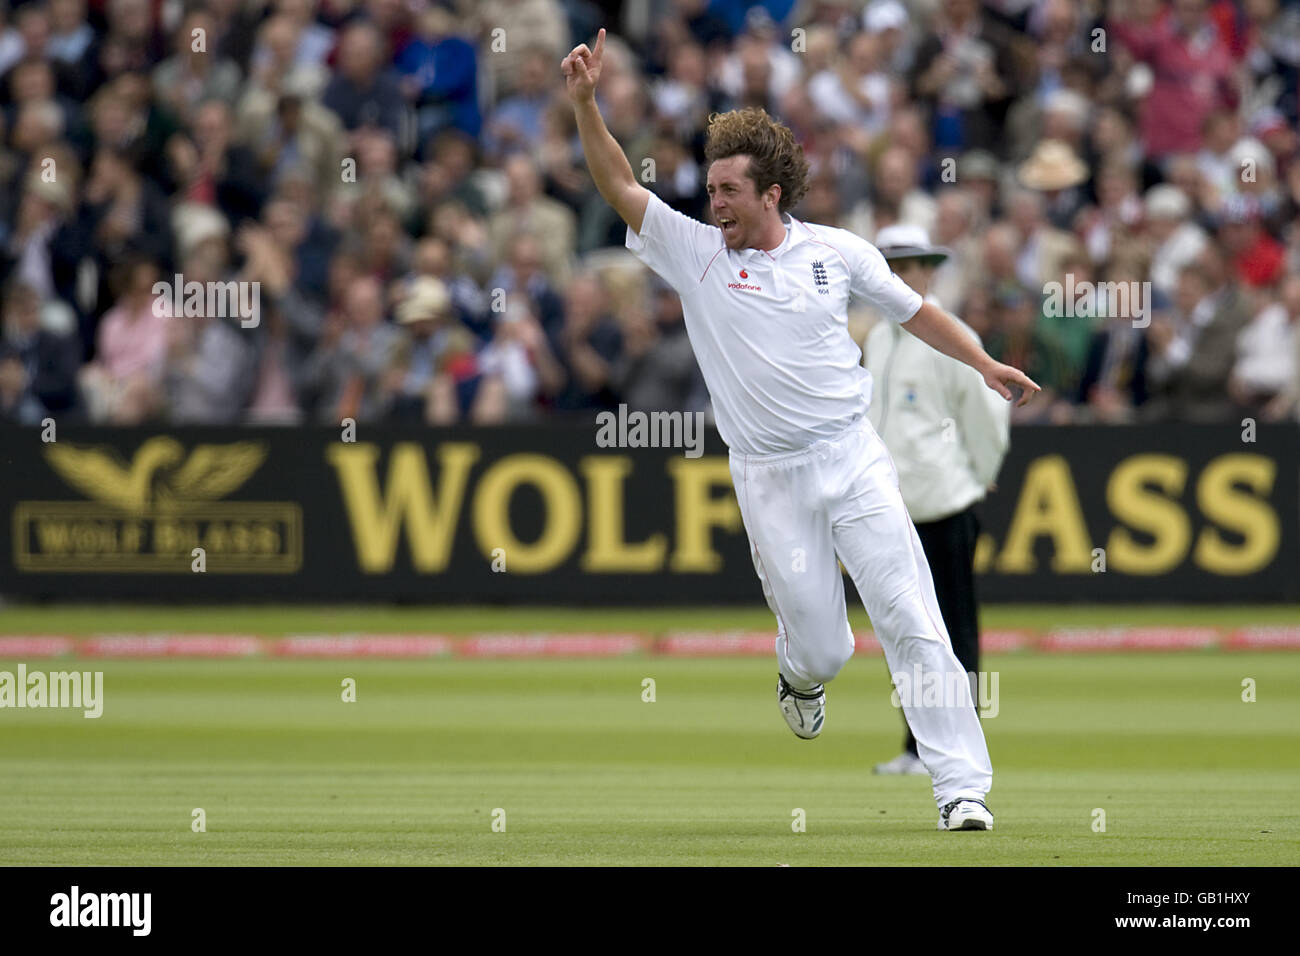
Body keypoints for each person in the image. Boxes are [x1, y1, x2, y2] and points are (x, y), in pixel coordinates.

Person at [562, 29, 1040, 831]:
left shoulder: (837, 253)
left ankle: (961, 787)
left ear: (771, 193)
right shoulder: (694, 252)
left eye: (728, 191)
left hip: (853, 459)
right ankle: (799, 675)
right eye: (709, 189)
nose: (713, 204)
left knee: (914, 619)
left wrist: (982, 363)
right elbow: (616, 183)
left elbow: (914, 310)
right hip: (768, 476)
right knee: (826, 650)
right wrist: (585, 104)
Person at [862, 224, 1011, 775]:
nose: (900, 277)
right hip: (890, 509)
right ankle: (915, 748)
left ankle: (956, 752)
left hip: (946, 505)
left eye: (910, 266)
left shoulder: (952, 333)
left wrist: (979, 475)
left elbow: (987, 415)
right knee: (906, 632)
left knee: (953, 629)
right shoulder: (879, 337)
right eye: (891, 266)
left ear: (930, 270)